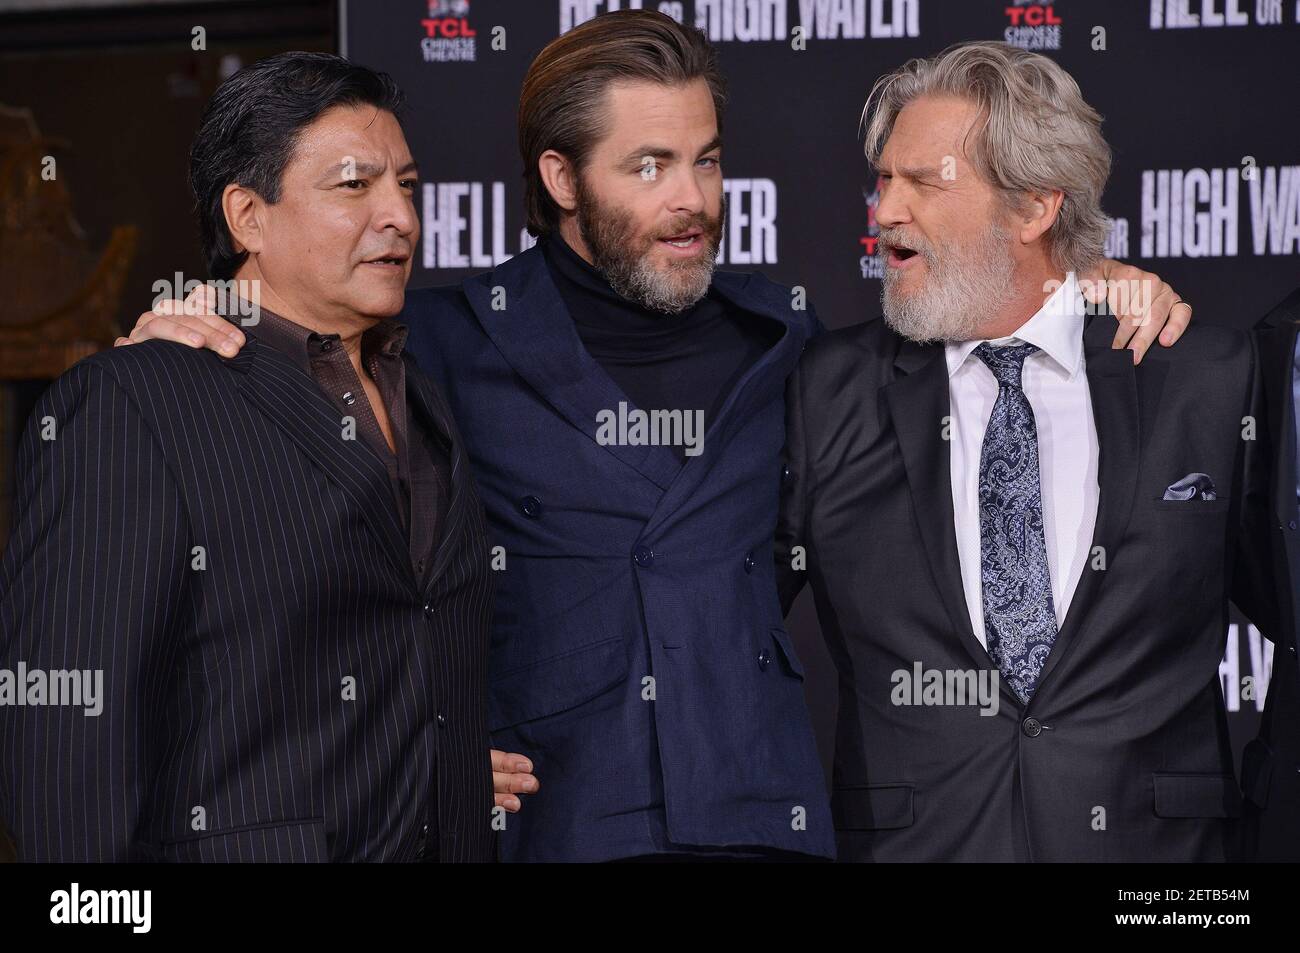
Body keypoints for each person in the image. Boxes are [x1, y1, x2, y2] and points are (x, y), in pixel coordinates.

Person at [118, 13, 1192, 862]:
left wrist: (1084, 283)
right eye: (648, 167)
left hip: (760, 820)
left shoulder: (796, 343)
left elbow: (982, 329)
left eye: (706, 161)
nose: (691, 200)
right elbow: (297, 444)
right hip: (549, 825)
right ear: (560, 179)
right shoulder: (439, 342)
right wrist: (189, 327)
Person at [0, 53, 511, 862]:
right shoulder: (134, 402)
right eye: (355, 185)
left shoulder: (425, 396)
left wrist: (439, 770)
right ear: (247, 217)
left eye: (407, 186)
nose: (401, 216)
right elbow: (64, 754)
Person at [775, 41, 1269, 862]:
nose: (885, 211)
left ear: (1035, 207)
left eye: (923, 181)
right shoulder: (828, 387)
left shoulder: (1205, 379)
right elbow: (721, 611)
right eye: (883, 180)